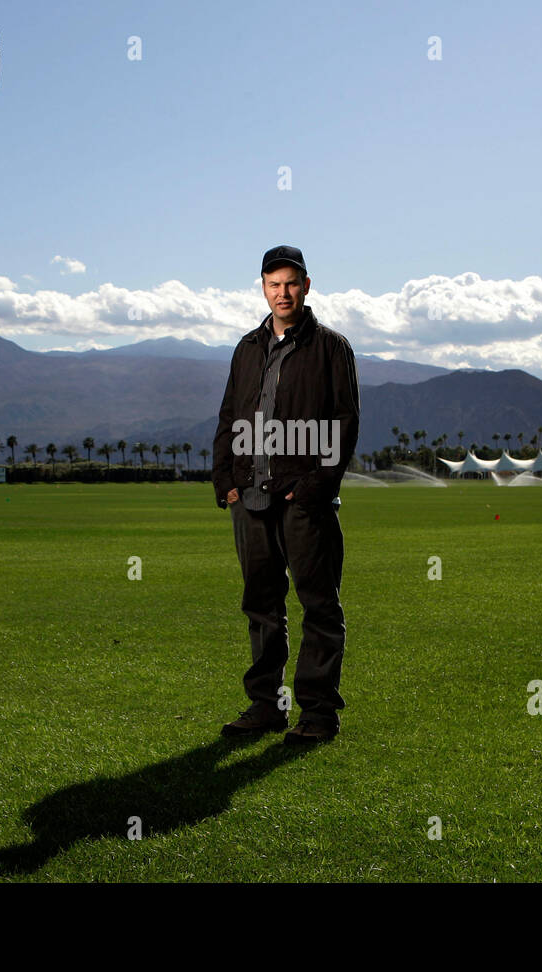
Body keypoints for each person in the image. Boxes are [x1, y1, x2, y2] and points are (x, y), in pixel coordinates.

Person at [212, 244, 360, 744]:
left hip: (305, 501)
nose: (283, 292)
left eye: (291, 283)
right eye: (274, 284)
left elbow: (344, 423)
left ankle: (318, 713)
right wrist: (226, 482)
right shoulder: (247, 347)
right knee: (260, 606)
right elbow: (229, 416)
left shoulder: (331, 347)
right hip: (249, 499)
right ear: (263, 288)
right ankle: (266, 707)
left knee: (319, 606)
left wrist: (316, 487)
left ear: (306, 286)